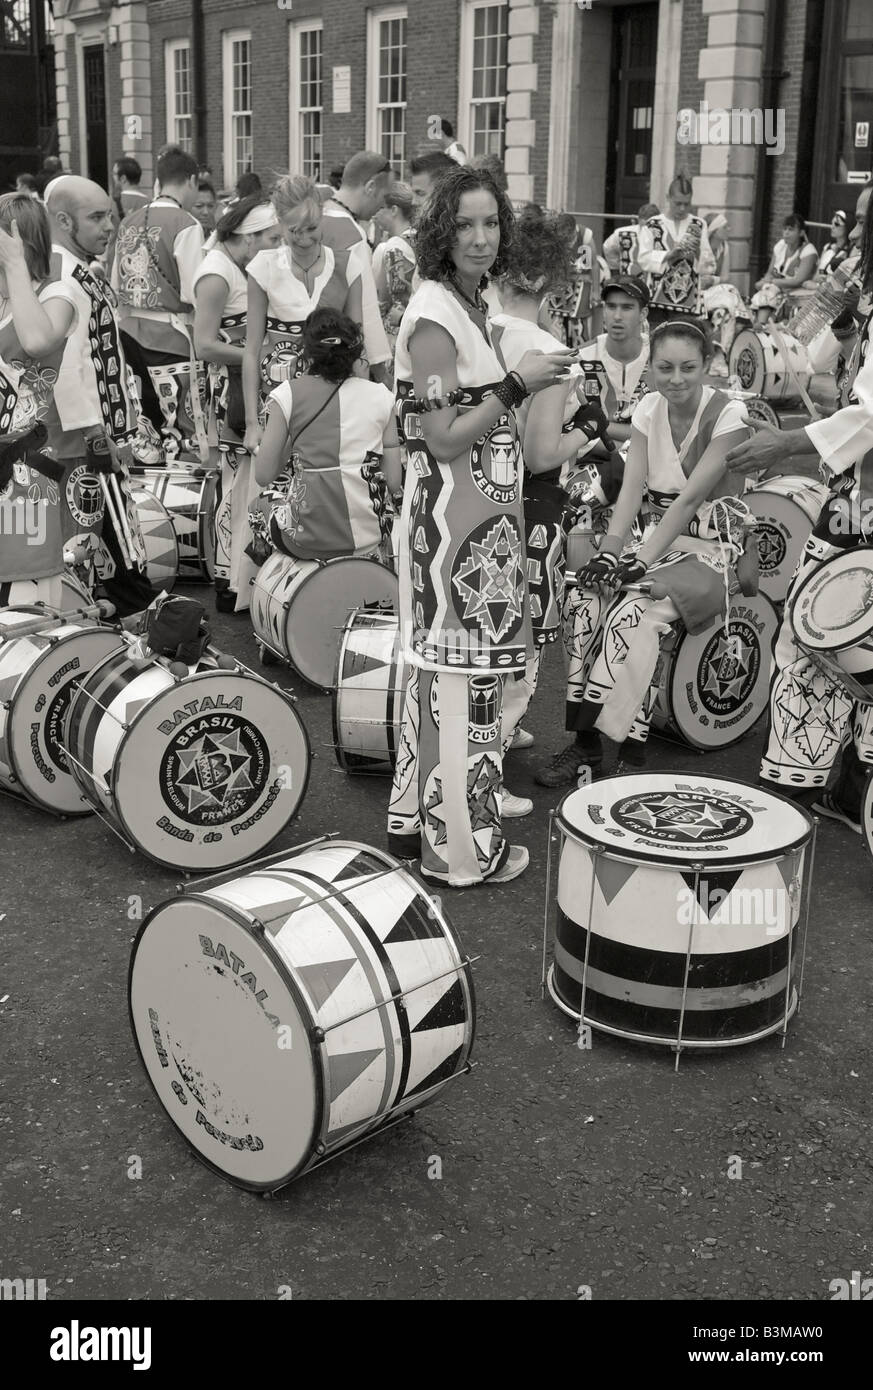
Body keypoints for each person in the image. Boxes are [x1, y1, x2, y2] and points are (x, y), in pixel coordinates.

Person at [386, 163, 575, 887]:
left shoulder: (470, 300)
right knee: (460, 685)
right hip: (454, 523)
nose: (479, 236)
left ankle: (417, 824)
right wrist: (517, 385)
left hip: (478, 521)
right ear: (441, 230)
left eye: (490, 222)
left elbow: (495, 342)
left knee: (445, 682)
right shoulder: (434, 317)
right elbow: (440, 436)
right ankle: (461, 852)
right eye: (463, 223)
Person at [537, 320, 752, 784]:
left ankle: (630, 748)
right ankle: (586, 744)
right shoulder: (649, 409)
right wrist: (612, 552)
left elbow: (693, 498)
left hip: (712, 547)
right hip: (653, 540)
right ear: (650, 367)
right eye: (665, 367)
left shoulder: (729, 415)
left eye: (689, 367)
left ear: (708, 364)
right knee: (586, 600)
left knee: (636, 609)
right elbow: (630, 490)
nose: (676, 378)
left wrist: (639, 559)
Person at [724, 186, 873, 834]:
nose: (855, 232)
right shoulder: (862, 294)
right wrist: (845, 329)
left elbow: (869, 414)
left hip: (861, 500)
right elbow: (830, 369)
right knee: (843, 636)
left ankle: (811, 782)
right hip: (856, 495)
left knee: (819, 631)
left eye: (866, 222)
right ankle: (842, 781)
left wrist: (784, 444)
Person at [490, 210, 613, 766]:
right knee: (526, 630)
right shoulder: (543, 346)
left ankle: (493, 734)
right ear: (541, 281)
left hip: (477, 497)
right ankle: (488, 752)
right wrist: (588, 425)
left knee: (484, 624)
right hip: (530, 501)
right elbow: (542, 455)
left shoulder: (476, 325)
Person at [44, 175, 155, 617]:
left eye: (110, 214)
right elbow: (66, 366)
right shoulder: (63, 279)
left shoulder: (72, 270)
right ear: (62, 220)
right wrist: (95, 435)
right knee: (94, 549)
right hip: (78, 445)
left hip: (89, 438)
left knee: (105, 547)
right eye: (96, 217)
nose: (109, 226)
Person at [253, 307, 401, 564]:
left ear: (308, 354)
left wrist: (293, 435)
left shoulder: (287, 394)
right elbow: (394, 482)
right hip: (369, 536)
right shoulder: (382, 397)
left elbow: (264, 475)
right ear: (355, 352)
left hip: (306, 540)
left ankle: (268, 580)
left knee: (259, 504)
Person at [193, 195, 281, 612]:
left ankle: (241, 582)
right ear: (248, 239)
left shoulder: (236, 266)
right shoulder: (216, 273)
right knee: (234, 490)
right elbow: (204, 344)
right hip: (230, 394)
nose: (278, 247)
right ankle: (229, 583)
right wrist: (259, 356)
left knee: (247, 486)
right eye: (272, 238)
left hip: (243, 387)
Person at [242, 174, 365, 455]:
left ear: (323, 217)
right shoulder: (264, 268)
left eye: (312, 228)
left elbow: (358, 347)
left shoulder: (348, 266)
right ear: (279, 223)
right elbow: (251, 351)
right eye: (294, 230)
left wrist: (360, 409)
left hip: (333, 402)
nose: (305, 239)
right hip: (277, 404)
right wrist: (252, 423)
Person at [0, 193, 77, 607]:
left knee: (22, 594)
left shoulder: (56, 293)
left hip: (24, 472)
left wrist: (15, 267)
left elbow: (36, 340)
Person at [112, 144, 206, 464]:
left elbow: (115, 282)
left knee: (144, 424)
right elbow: (196, 291)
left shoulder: (129, 221)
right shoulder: (186, 223)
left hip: (127, 333)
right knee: (179, 429)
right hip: (170, 337)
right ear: (191, 181)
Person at [320, 151, 395, 386]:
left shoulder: (311, 217)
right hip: (339, 357)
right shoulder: (352, 235)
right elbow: (365, 311)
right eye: (384, 196)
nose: (383, 205)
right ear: (371, 186)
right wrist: (380, 375)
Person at [636, 174, 715, 325]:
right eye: (677, 203)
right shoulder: (653, 224)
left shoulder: (698, 224)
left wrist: (697, 251)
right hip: (656, 299)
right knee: (655, 341)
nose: (682, 208)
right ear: (668, 197)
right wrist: (669, 255)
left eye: (687, 203)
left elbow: (709, 265)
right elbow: (643, 258)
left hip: (688, 299)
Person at [372, 182, 416, 356]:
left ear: (394, 210)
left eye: (380, 208)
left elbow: (384, 298)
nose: (375, 214)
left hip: (399, 332)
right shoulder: (421, 238)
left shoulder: (392, 247)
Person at [751, 214, 819, 323]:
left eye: (791, 229)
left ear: (801, 232)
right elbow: (769, 273)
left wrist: (773, 282)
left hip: (797, 294)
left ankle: (760, 326)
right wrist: (765, 281)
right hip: (778, 291)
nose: (786, 232)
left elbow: (798, 281)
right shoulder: (780, 246)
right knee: (764, 292)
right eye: (785, 229)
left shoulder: (808, 251)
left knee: (767, 293)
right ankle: (759, 327)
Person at [602, 203, 660, 279]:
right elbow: (608, 248)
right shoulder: (621, 234)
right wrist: (616, 268)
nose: (645, 229)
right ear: (639, 220)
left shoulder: (663, 236)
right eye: (643, 225)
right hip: (628, 281)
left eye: (648, 226)